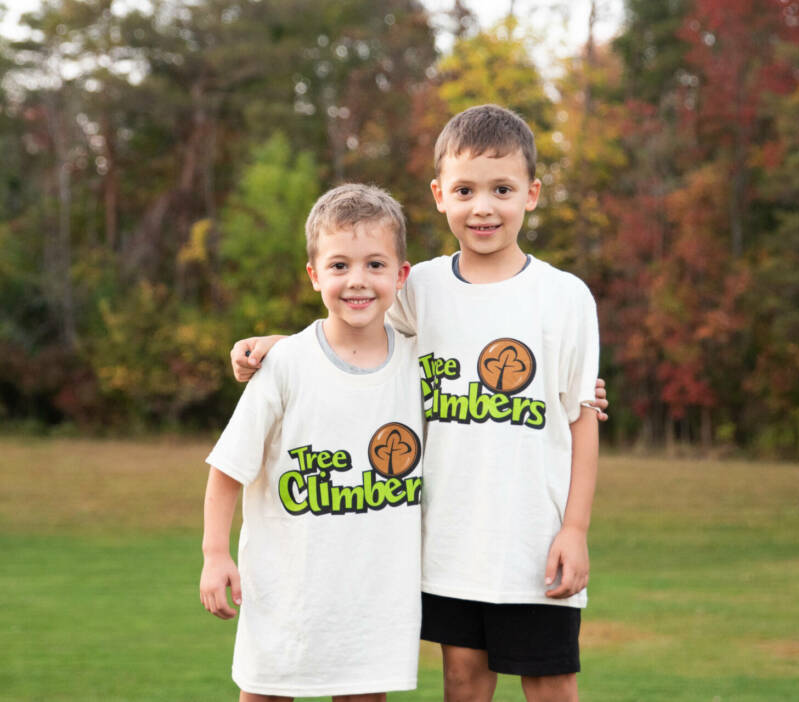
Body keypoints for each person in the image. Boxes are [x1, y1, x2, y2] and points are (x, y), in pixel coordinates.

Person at [231, 105, 607, 702]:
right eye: (465, 190)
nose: (482, 207)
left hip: (535, 540)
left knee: (551, 681)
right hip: (449, 541)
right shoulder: (421, 287)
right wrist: (278, 348)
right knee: (461, 680)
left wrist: (576, 528)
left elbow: (582, 419)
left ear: (532, 194)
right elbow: (353, 327)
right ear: (439, 195)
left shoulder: (564, 298)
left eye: (502, 189)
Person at [200, 184, 424, 702]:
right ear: (314, 275)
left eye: (374, 264)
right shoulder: (284, 366)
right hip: (287, 600)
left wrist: (575, 393)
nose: (357, 281)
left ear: (400, 274)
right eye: (339, 265)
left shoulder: (418, 366)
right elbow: (228, 468)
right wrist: (215, 554)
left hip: (373, 607)